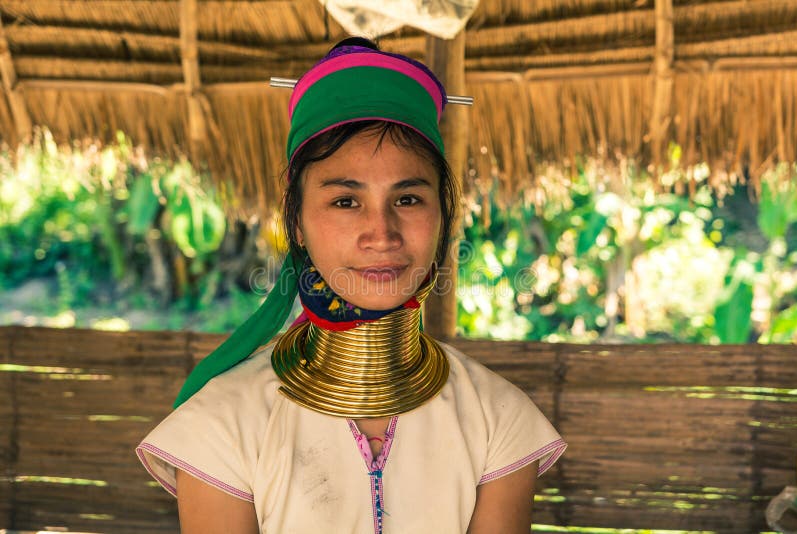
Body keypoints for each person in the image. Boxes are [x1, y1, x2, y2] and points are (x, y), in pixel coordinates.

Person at [136, 37, 566, 533]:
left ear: (445, 218)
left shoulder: (499, 420)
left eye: (407, 199)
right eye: (345, 201)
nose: (381, 233)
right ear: (296, 223)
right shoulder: (221, 424)